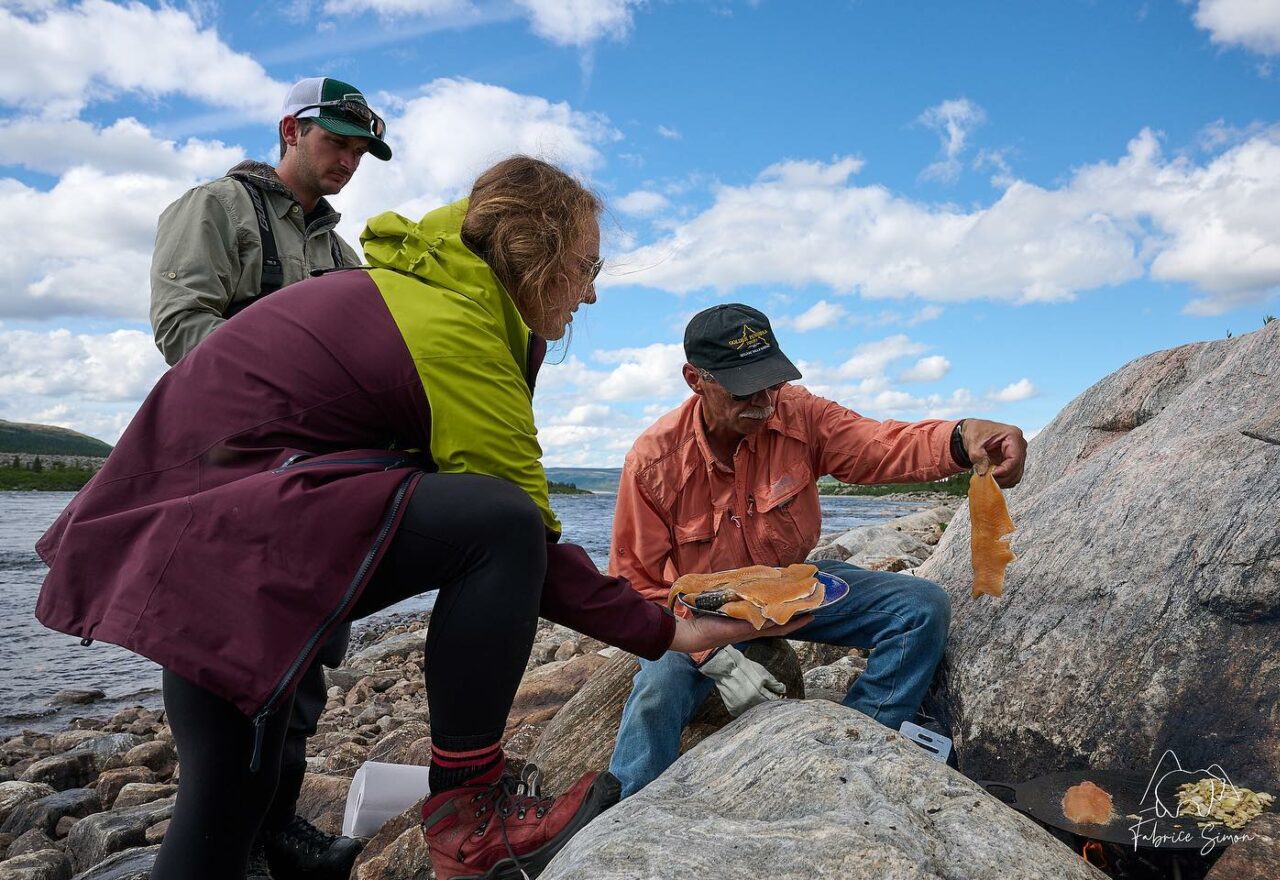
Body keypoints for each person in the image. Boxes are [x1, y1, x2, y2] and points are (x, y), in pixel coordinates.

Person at [35, 159, 801, 880]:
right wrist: (664, 631)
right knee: (494, 527)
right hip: (215, 536)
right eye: (586, 267)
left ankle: (284, 841)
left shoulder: (435, 297)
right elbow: (518, 530)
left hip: (217, 528)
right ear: (534, 253)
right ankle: (468, 808)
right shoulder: (452, 326)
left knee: (233, 793)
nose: (591, 294)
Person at [607, 302, 1027, 797]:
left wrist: (960, 439)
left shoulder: (800, 414)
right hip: (702, 612)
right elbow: (634, 587)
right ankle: (621, 814)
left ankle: (841, 753)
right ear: (695, 379)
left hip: (794, 588)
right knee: (658, 691)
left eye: (772, 379)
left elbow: (879, 445)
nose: (765, 398)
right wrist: (712, 656)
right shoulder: (654, 462)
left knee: (920, 608)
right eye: (746, 385)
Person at [145, 76, 392, 880]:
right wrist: (300, 392)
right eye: (336, 142)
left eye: (361, 150)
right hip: (224, 479)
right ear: (291, 128)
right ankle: (226, 840)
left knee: (307, 657)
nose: (349, 160)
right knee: (225, 663)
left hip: (314, 486)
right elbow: (183, 332)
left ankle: (277, 827)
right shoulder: (213, 208)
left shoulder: (342, 254)